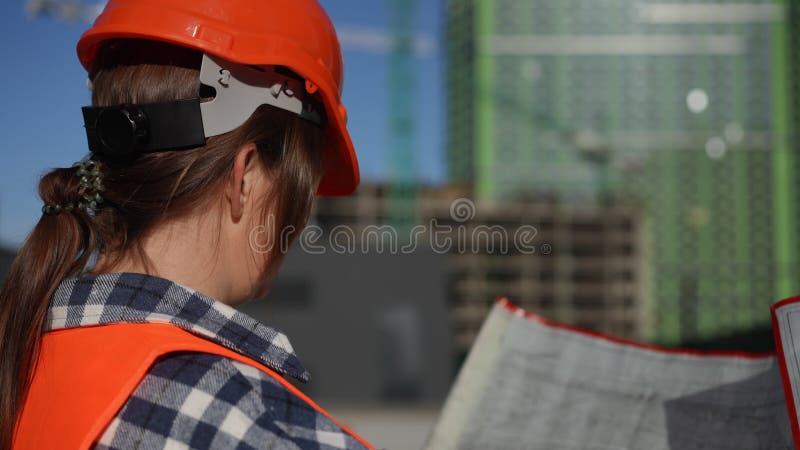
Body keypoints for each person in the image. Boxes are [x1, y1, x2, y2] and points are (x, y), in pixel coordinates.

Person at [0, 1, 372, 448]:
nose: (301, 217)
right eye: (304, 187)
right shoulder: (256, 428)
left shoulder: (24, 354)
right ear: (246, 176)